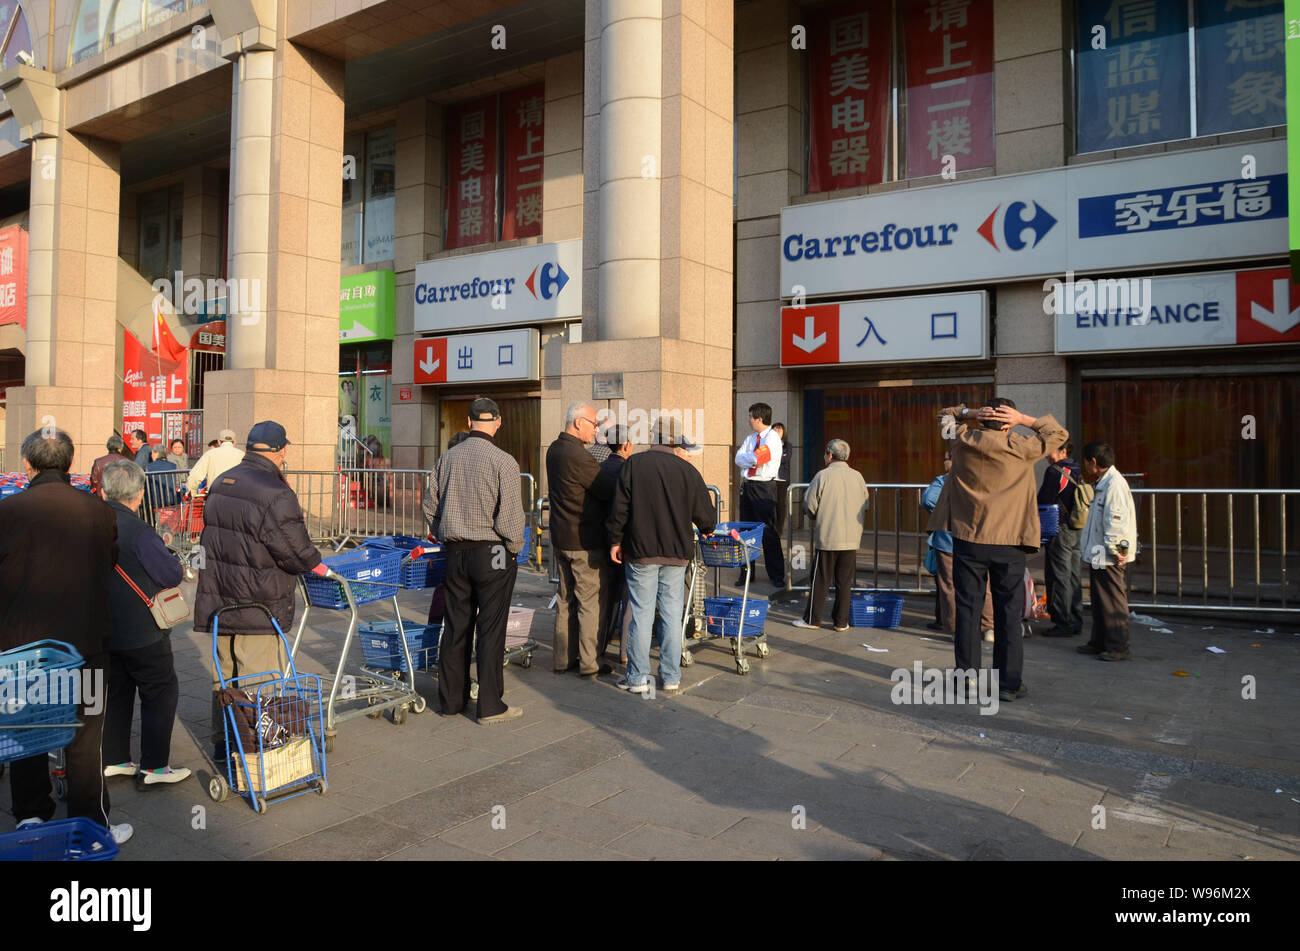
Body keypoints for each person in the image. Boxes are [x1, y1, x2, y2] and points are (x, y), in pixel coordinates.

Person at [0, 429, 132, 844]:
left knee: (27, 729)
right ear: (70, 464)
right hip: (86, 645)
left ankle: (31, 815)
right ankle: (90, 824)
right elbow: (108, 564)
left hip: (24, 647)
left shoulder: (9, 511)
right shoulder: (98, 510)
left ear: (27, 463)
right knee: (85, 736)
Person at [194, 421, 325, 760]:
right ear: (280, 450)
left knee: (226, 678)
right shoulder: (276, 492)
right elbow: (295, 552)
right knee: (259, 681)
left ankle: (225, 745)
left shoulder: (224, 480)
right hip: (259, 603)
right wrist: (319, 563)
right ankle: (258, 758)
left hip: (220, 601)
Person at [927, 398, 1067, 702]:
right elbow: (1059, 434)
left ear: (983, 419)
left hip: (969, 540)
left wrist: (969, 413)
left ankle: (967, 681)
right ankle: (1008, 683)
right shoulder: (1021, 446)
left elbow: (944, 414)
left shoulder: (963, 440)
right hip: (1009, 543)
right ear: (1008, 422)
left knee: (968, 610)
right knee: (1008, 614)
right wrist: (1025, 418)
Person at [424, 398, 527, 724]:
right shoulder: (504, 461)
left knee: (455, 625)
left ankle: (451, 701)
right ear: (497, 423)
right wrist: (514, 547)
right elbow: (511, 517)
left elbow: (430, 506)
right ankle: (490, 706)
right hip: (493, 551)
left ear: (469, 422)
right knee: (491, 628)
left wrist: (443, 533)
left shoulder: (447, 458)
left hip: (455, 552)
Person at [607, 416, 716, 694]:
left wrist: (615, 540)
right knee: (671, 614)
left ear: (654, 437)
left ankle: (637, 678)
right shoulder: (687, 470)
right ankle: (670, 676)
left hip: (641, 550)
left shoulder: (634, 464)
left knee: (642, 614)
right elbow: (706, 515)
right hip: (677, 553)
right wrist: (706, 529)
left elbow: (620, 508)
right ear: (676, 441)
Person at [100, 461, 190, 787]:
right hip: (142, 630)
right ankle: (154, 767)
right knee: (160, 691)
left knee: (115, 693)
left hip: (102, 629)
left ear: (103, 490)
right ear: (139, 496)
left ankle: (114, 759)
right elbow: (170, 574)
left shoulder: (88, 526)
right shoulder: (140, 531)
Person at [546, 403, 617, 678]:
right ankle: (590, 662)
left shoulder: (554, 449)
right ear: (577, 423)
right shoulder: (579, 455)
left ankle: (562, 659)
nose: (596, 429)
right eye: (594, 423)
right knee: (590, 600)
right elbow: (606, 488)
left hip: (561, 536)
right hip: (583, 539)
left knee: (565, 599)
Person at [792, 439, 867, 632]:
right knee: (844, 581)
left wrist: (816, 516)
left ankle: (813, 619)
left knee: (820, 579)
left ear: (830, 455)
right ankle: (841, 622)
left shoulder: (822, 475)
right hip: (851, 537)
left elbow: (809, 504)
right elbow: (865, 503)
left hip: (828, 536)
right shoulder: (857, 476)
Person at [923, 448, 995, 642]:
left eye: (946, 459)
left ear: (953, 460)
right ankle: (988, 627)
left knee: (950, 586)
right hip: (978, 539)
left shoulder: (945, 479)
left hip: (948, 540)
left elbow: (928, 499)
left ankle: (956, 630)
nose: (944, 463)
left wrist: (946, 512)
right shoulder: (979, 477)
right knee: (984, 583)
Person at [1077, 442, 1137, 662]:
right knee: (1100, 599)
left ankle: (1118, 645)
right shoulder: (1104, 483)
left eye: (1085, 461)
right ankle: (1100, 641)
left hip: (1109, 554)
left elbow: (1116, 522)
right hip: (1099, 551)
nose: (1084, 465)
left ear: (1093, 462)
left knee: (1112, 600)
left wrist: (1118, 550)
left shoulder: (1114, 485)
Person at [734, 402, 786, 588]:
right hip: (747, 486)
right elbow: (738, 458)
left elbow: (758, 458)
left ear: (759, 419)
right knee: (745, 532)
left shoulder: (772, 438)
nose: (748, 420)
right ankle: (747, 572)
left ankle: (776, 575)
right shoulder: (751, 438)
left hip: (764, 487)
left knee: (768, 532)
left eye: (750, 417)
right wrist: (751, 458)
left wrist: (750, 458)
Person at [1039, 442, 1084, 638]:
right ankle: (1075, 619)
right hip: (1076, 528)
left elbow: (1044, 499)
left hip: (1059, 528)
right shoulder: (1076, 468)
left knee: (1058, 576)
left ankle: (1062, 621)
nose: (1046, 455)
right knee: (1073, 575)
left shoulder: (1054, 471)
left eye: (1050, 450)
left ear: (1063, 451)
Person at [598, 424, 634, 660]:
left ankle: (599, 645)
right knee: (629, 597)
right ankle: (624, 650)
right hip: (624, 542)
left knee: (606, 597)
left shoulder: (598, 469)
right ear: (626, 445)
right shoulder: (628, 471)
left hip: (600, 539)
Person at [185, 428, 245, 497]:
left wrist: (192, 493)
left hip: (215, 494)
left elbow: (195, 476)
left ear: (219, 442)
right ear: (234, 442)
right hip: (237, 495)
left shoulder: (210, 454)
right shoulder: (242, 455)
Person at [144, 445, 180, 518]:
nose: (151, 456)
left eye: (152, 453)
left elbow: (146, 484)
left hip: (155, 501)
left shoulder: (149, 466)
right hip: (171, 500)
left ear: (157, 453)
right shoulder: (173, 466)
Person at [772, 422, 793, 541]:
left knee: (780, 504)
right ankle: (770, 528)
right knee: (770, 504)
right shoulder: (768, 445)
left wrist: (774, 457)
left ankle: (779, 530)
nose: (777, 432)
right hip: (769, 479)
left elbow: (786, 459)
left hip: (782, 479)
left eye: (779, 430)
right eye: (774, 430)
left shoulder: (787, 445)